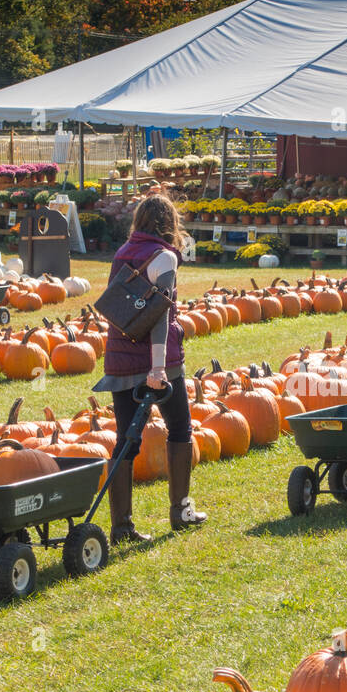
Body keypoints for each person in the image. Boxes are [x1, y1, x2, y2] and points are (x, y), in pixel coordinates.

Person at [93, 194, 206, 545]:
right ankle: (180, 509)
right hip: (158, 362)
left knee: (127, 438)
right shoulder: (165, 256)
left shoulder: (124, 252)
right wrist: (158, 367)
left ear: (139, 221)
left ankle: (121, 527)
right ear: (169, 223)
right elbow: (159, 316)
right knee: (180, 429)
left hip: (118, 354)